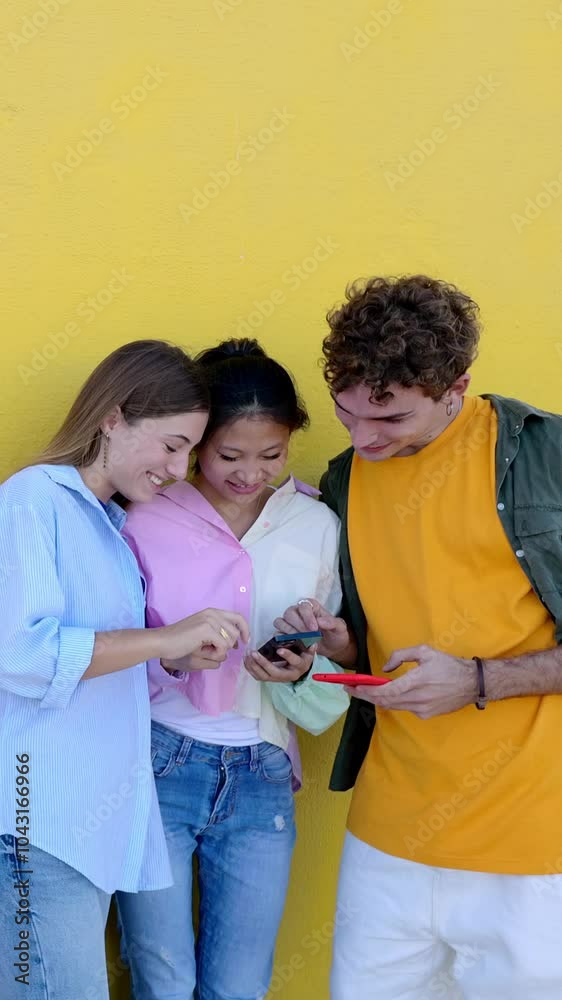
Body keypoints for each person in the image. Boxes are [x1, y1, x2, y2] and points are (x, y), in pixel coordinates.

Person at [306, 274, 561, 1000]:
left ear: (457, 385)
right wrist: (336, 647)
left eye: (389, 418)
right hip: (388, 837)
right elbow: (374, 635)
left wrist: (476, 680)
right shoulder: (342, 479)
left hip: (534, 846)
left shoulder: (547, 460)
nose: (362, 437)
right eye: (346, 413)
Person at [0, 340, 249, 1000]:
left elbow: (100, 662)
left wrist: (170, 654)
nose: (179, 467)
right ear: (112, 418)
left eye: (190, 450)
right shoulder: (35, 500)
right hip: (36, 824)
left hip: (83, 830)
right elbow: (21, 655)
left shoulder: (108, 526)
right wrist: (165, 634)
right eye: (170, 444)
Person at [115, 338, 351, 1000]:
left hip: (263, 775)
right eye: (228, 456)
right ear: (195, 442)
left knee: (239, 985)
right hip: (158, 762)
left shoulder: (316, 524)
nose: (250, 473)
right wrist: (173, 653)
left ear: (292, 441)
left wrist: (309, 657)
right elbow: (106, 646)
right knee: (161, 976)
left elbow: (338, 658)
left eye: (271, 456)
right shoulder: (145, 515)